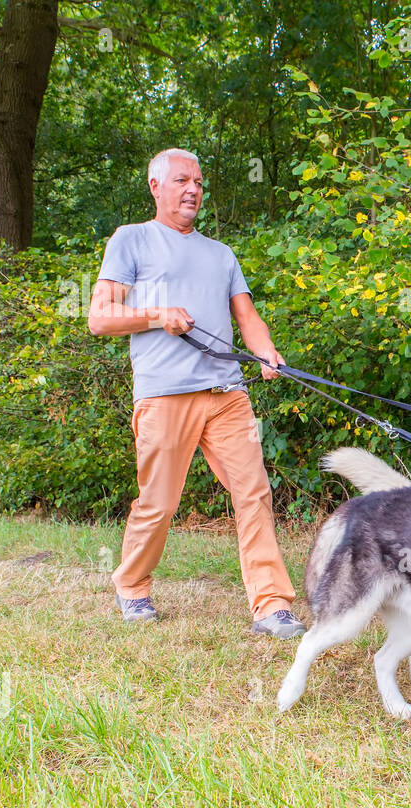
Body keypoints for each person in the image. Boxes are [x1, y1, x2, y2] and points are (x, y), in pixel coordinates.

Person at [86, 147, 305, 638]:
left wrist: (267, 352)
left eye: (199, 182)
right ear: (155, 186)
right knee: (159, 502)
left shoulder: (220, 254)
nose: (192, 189)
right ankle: (133, 585)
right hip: (164, 395)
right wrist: (157, 315)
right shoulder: (132, 240)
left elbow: (247, 318)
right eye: (182, 180)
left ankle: (271, 604)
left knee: (253, 492)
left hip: (227, 393)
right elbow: (100, 317)